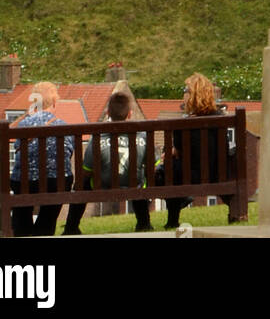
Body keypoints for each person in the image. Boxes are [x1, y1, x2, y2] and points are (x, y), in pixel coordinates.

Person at [63, 90, 151, 235]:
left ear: (108, 113)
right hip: (133, 184)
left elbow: (87, 170)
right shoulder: (142, 136)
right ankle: (144, 223)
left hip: (102, 184)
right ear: (129, 114)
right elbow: (152, 165)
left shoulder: (97, 138)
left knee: (81, 184)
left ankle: (71, 227)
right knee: (138, 180)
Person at [10, 82, 73, 237]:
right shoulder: (63, 126)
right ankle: (44, 228)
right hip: (55, 183)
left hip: (25, 182)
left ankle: (23, 232)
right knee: (61, 183)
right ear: (55, 102)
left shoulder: (23, 125)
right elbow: (69, 152)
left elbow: (18, 148)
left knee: (21, 209)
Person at [160, 73, 222, 231]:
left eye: (185, 90)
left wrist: (170, 154)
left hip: (191, 177)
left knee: (168, 168)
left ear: (193, 95)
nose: (183, 94)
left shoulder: (183, 125)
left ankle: (172, 219)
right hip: (217, 174)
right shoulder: (220, 119)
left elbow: (180, 152)